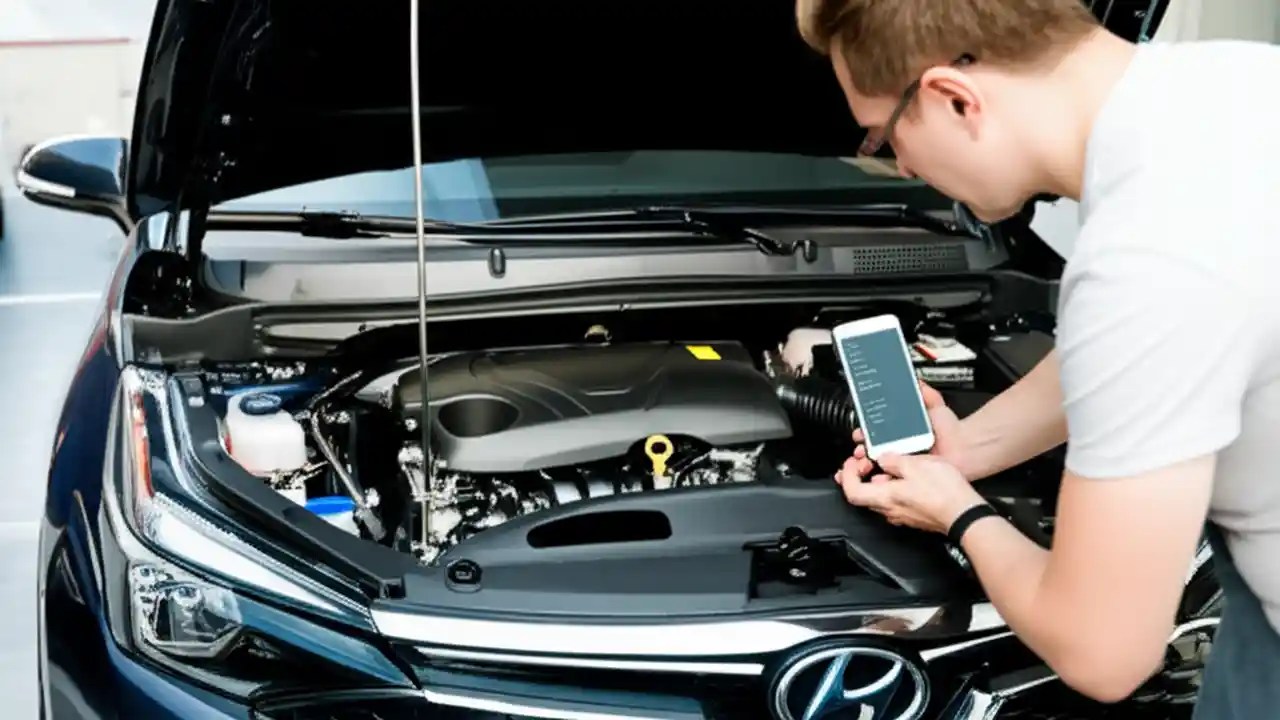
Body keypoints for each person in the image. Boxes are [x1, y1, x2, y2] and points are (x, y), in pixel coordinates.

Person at [795, 0, 1280, 715]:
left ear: (954, 98)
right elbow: (1164, 340)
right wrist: (971, 446)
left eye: (883, 137)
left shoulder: (1147, 257)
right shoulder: (1239, 83)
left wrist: (958, 513)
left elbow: (1102, 651)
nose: (902, 166)